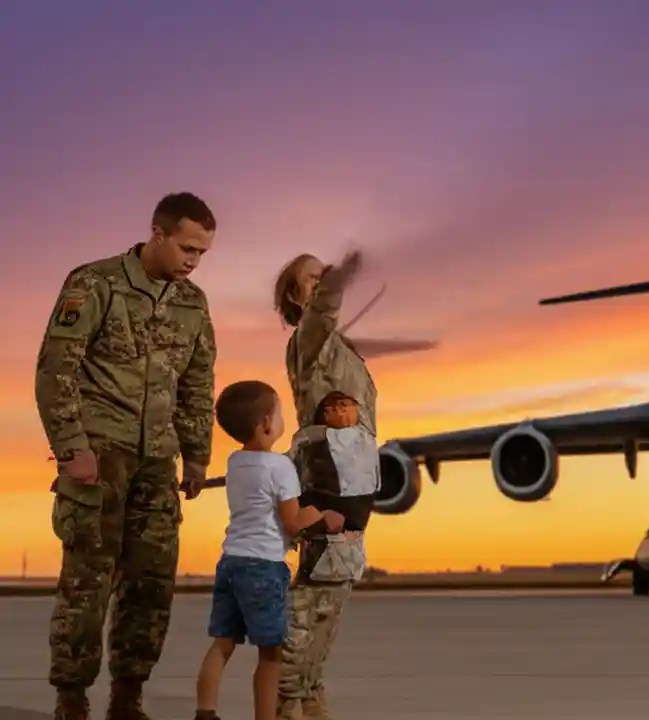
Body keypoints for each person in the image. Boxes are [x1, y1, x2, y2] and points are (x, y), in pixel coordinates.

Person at [35, 191, 218, 720]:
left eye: (202, 253)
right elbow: (56, 370)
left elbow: (198, 381)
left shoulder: (193, 304)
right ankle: (72, 698)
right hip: (101, 456)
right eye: (187, 247)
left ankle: (128, 696)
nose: (193, 261)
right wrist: (72, 449)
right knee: (88, 581)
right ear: (157, 234)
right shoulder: (95, 284)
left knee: (152, 583)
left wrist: (197, 454)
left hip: (157, 461)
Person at [271, 249, 431, 720]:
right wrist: (343, 273)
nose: (319, 285)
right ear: (295, 297)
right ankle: (287, 698)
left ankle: (310, 690)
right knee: (313, 593)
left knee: (335, 592)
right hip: (328, 478)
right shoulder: (310, 338)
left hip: (354, 478)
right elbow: (324, 310)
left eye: (324, 277)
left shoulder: (334, 347)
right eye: (311, 279)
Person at [194, 380, 344, 720]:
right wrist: (322, 516)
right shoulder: (280, 468)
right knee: (271, 655)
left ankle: (205, 712)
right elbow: (292, 523)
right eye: (278, 414)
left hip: (231, 561)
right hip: (263, 567)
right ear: (266, 424)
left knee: (222, 644)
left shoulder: (235, 463)